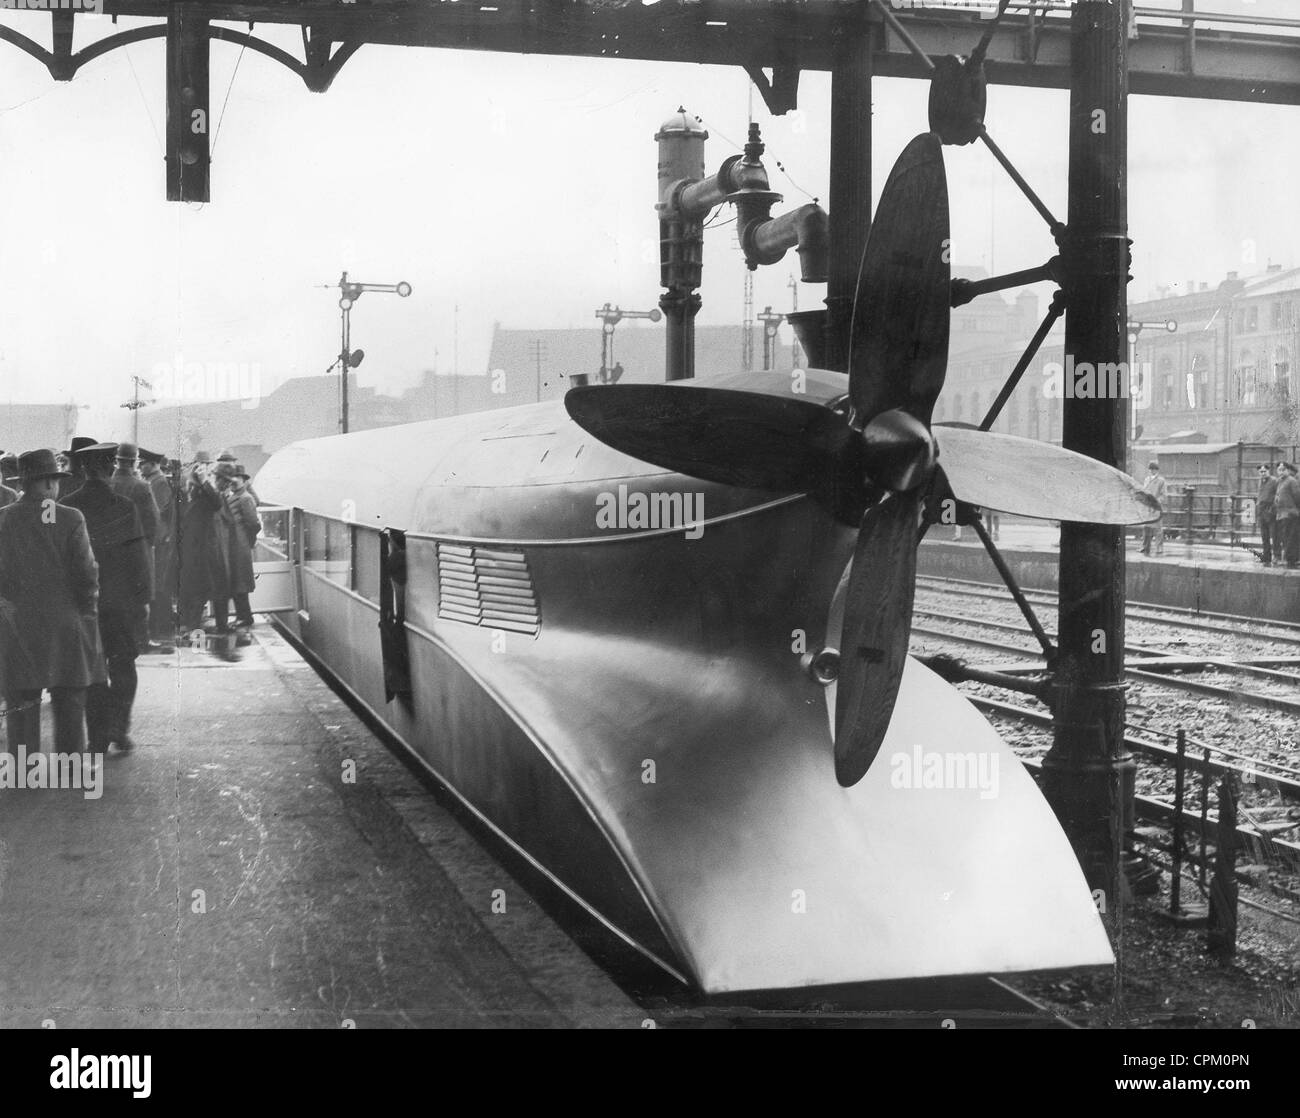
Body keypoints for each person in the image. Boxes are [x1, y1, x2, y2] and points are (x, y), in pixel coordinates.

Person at [0, 449, 104, 754]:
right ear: (46, 483)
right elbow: (86, 573)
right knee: (69, 698)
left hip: (17, 624)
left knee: (21, 701)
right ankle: (70, 766)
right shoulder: (70, 518)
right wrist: (87, 611)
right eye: (55, 481)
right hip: (65, 623)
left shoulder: (3, 519)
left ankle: (25, 766)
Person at [63, 444, 151, 751]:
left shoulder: (68, 506)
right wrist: (143, 599)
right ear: (110, 467)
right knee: (124, 665)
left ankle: (97, 738)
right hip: (122, 602)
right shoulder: (125, 506)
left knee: (93, 672)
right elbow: (139, 558)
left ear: (85, 468)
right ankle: (119, 728)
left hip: (84, 605)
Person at [177, 459, 238, 659]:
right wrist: (204, 483)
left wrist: (204, 483)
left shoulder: (200, 495)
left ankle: (201, 638)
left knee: (205, 595)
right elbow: (215, 503)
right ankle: (197, 644)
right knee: (198, 598)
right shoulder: (199, 496)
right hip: (200, 556)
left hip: (204, 554)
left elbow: (217, 504)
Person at [140, 449, 176, 647]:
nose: (140, 466)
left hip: (160, 540)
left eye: (143, 463)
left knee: (160, 584)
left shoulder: (159, 482)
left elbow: (161, 511)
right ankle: (162, 625)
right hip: (159, 539)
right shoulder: (154, 481)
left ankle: (163, 627)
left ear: (153, 464)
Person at [223, 465, 260, 644]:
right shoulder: (235, 495)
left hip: (240, 545)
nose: (233, 480)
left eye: (236, 477)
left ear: (243, 479)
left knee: (240, 583)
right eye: (231, 477)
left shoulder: (245, 498)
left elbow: (254, 524)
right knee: (237, 582)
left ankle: (245, 617)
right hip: (235, 545)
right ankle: (243, 616)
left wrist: (248, 541)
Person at [1274, 462, 1300, 569]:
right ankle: (1290, 558)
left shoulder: (1292, 481)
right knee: (1285, 536)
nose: (1281, 471)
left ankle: (1290, 559)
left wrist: (1294, 509)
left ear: (1288, 470)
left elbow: (1297, 496)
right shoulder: (1280, 481)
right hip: (1281, 513)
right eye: (1279, 469)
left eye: (1283, 469)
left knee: (1290, 537)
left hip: (1290, 513)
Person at [1140, 461, 1168, 557]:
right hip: (1147, 508)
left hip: (1156, 508)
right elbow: (1144, 492)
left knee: (1158, 529)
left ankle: (1159, 548)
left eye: (1154, 469)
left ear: (1157, 470)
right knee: (1146, 528)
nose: (1152, 471)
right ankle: (1145, 547)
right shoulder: (1146, 480)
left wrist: (1156, 502)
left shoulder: (1161, 481)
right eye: (1151, 469)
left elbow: (1163, 495)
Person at [1257, 463, 1279, 566]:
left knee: (1274, 535)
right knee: (1264, 535)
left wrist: (1272, 508)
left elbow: (1277, 495)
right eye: (1261, 472)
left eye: (1264, 471)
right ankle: (1266, 556)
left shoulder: (1274, 481)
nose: (1263, 473)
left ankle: (1276, 556)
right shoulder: (1260, 481)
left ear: (1268, 471)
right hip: (1262, 511)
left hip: (1270, 510)